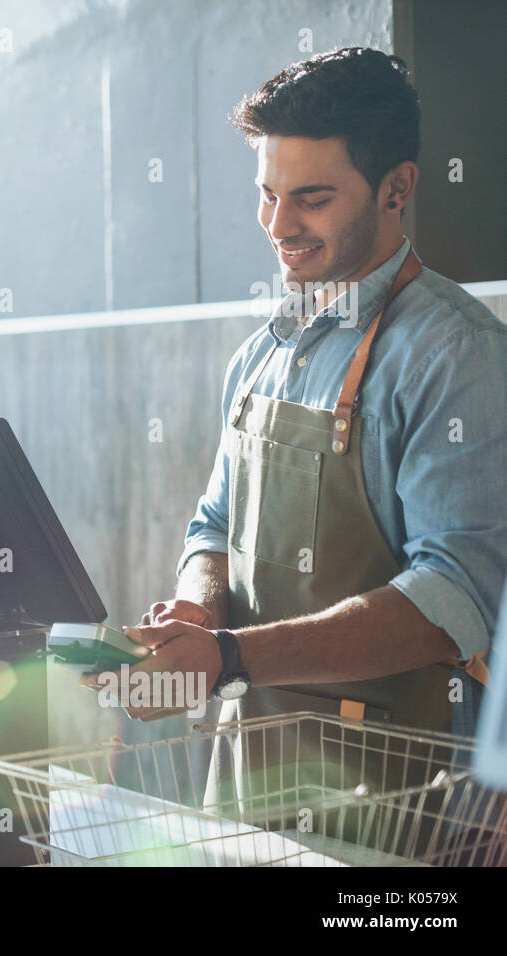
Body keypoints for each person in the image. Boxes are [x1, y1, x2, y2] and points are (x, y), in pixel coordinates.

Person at [102, 49, 505, 801]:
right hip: (249, 774)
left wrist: (228, 655)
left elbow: (454, 604)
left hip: (395, 796)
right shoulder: (266, 349)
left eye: (311, 199)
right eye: (266, 195)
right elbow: (215, 524)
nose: (278, 225)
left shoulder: (458, 354)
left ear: (398, 189)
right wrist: (199, 603)